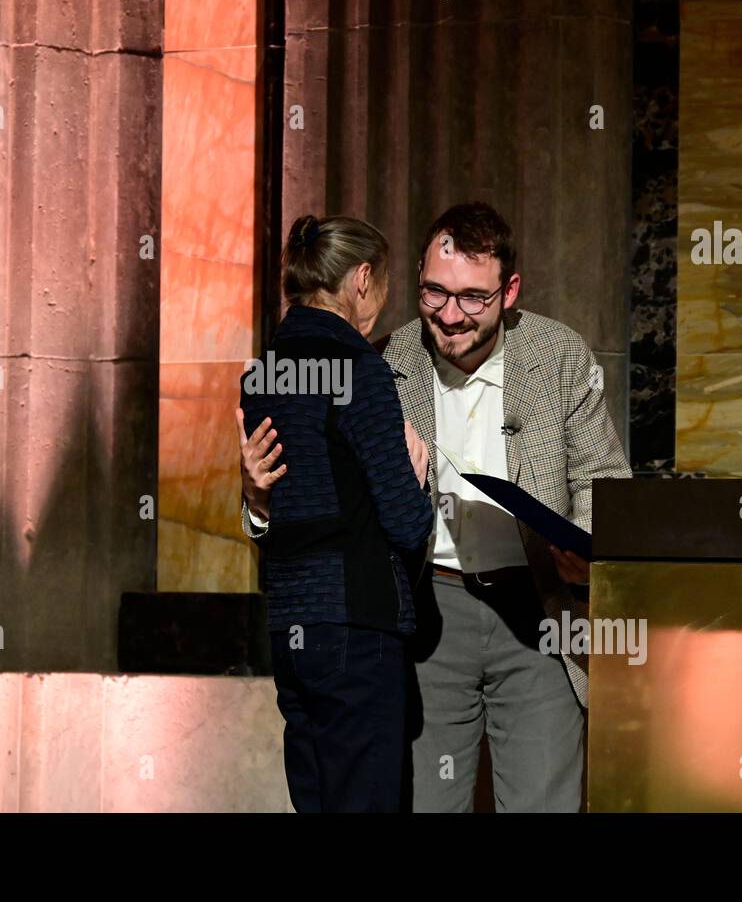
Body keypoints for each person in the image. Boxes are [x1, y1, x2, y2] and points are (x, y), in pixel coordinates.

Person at [240, 202, 632, 812]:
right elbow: (317, 503)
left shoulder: (558, 356)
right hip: (427, 613)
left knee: (543, 802)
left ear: (510, 290)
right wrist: (256, 502)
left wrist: (580, 547)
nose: (450, 316)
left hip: (539, 608)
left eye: (474, 298)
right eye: (434, 293)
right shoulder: (380, 361)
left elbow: (604, 479)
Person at [237, 213, 433, 813]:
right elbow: (405, 521)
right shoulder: (361, 371)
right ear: (361, 279)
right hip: (358, 627)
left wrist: (254, 504)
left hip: (292, 629)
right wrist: (419, 482)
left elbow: (282, 508)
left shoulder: (264, 373)